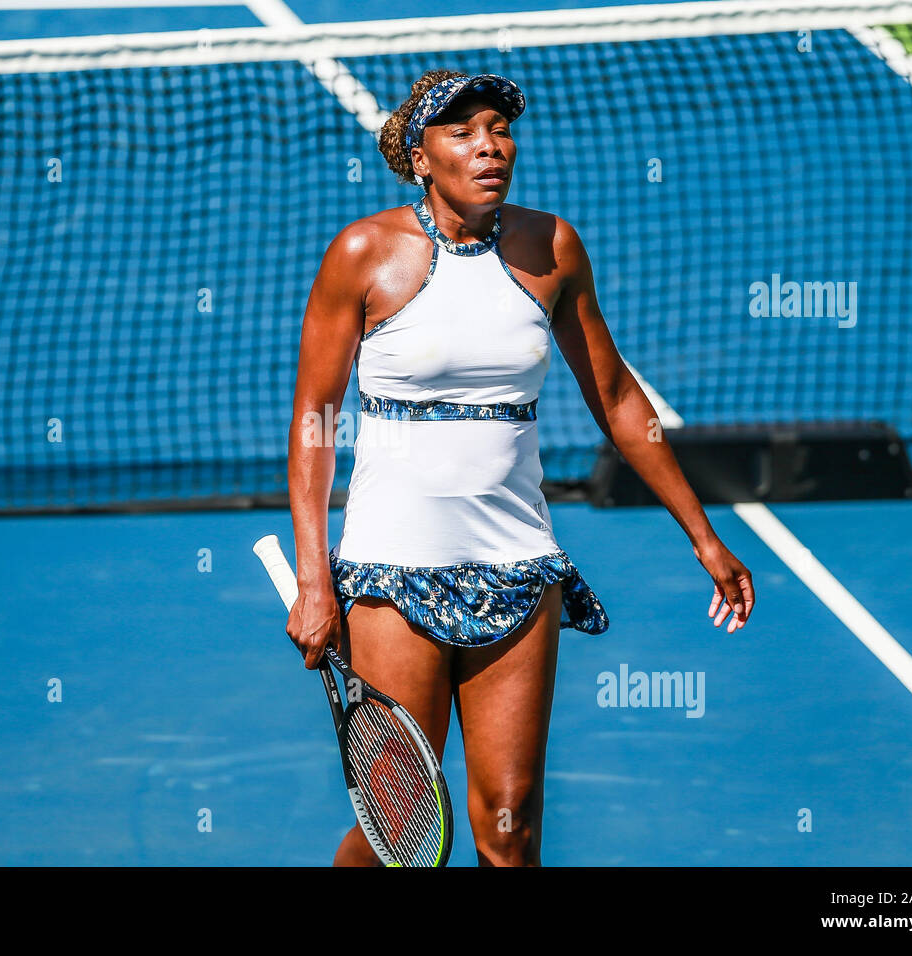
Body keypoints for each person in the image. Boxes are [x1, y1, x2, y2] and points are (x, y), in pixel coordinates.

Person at [286, 70, 755, 866]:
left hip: (515, 565)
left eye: (498, 127)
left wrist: (703, 536)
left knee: (512, 820)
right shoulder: (363, 254)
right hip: (392, 572)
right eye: (462, 132)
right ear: (421, 157)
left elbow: (614, 396)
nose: (489, 145)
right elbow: (314, 422)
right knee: (397, 823)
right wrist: (313, 580)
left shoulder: (553, 248)